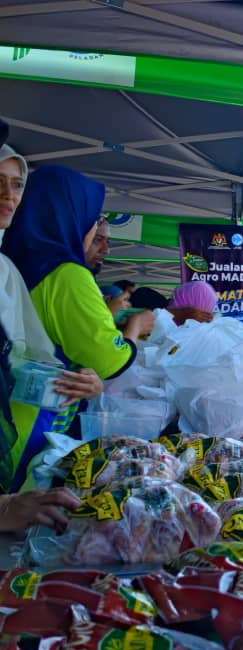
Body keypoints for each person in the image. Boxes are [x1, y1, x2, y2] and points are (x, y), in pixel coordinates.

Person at [0, 163, 114, 488]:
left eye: (16, 186)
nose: (8, 195)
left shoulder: (10, 261)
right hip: (28, 422)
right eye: (91, 220)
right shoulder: (65, 273)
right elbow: (108, 358)